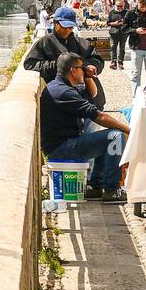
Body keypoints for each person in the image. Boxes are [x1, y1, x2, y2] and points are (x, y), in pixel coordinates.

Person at [42, 52, 131, 203]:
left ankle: (96, 186)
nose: (84, 70)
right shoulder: (64, 92)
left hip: (64, 143)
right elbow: (99, 116)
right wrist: (129, 129)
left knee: (107, 137)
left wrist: (88, 76)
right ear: (72, 71)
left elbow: (93, 95)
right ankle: (111, 189)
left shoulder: (60, 86)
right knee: (115, 136)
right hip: (62, 148)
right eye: (81, 68)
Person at [23, 5, 104, 83]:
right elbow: (29, 64)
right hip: (60, 90)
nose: (67, 31)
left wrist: (91, 67)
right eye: (64, 27)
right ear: (55, 23)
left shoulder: (81, 43)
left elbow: (98, 60)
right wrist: (59, 65)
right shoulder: (45, 42)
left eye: (70, 27)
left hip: (84, 90)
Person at [107, 0, 128, 70]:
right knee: (113, 47)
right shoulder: (112, 12)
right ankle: (113, 62)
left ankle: (120, 62)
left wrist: (123, 23)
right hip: (113, 32)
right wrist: (114, 23)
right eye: (118, 6)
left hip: (123, 32)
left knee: (122, 48)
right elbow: (108, 23)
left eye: (121, 6)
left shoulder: (126, 12)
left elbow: (129, 23)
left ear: (124, 5)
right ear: (115, 5)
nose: (119, 7)